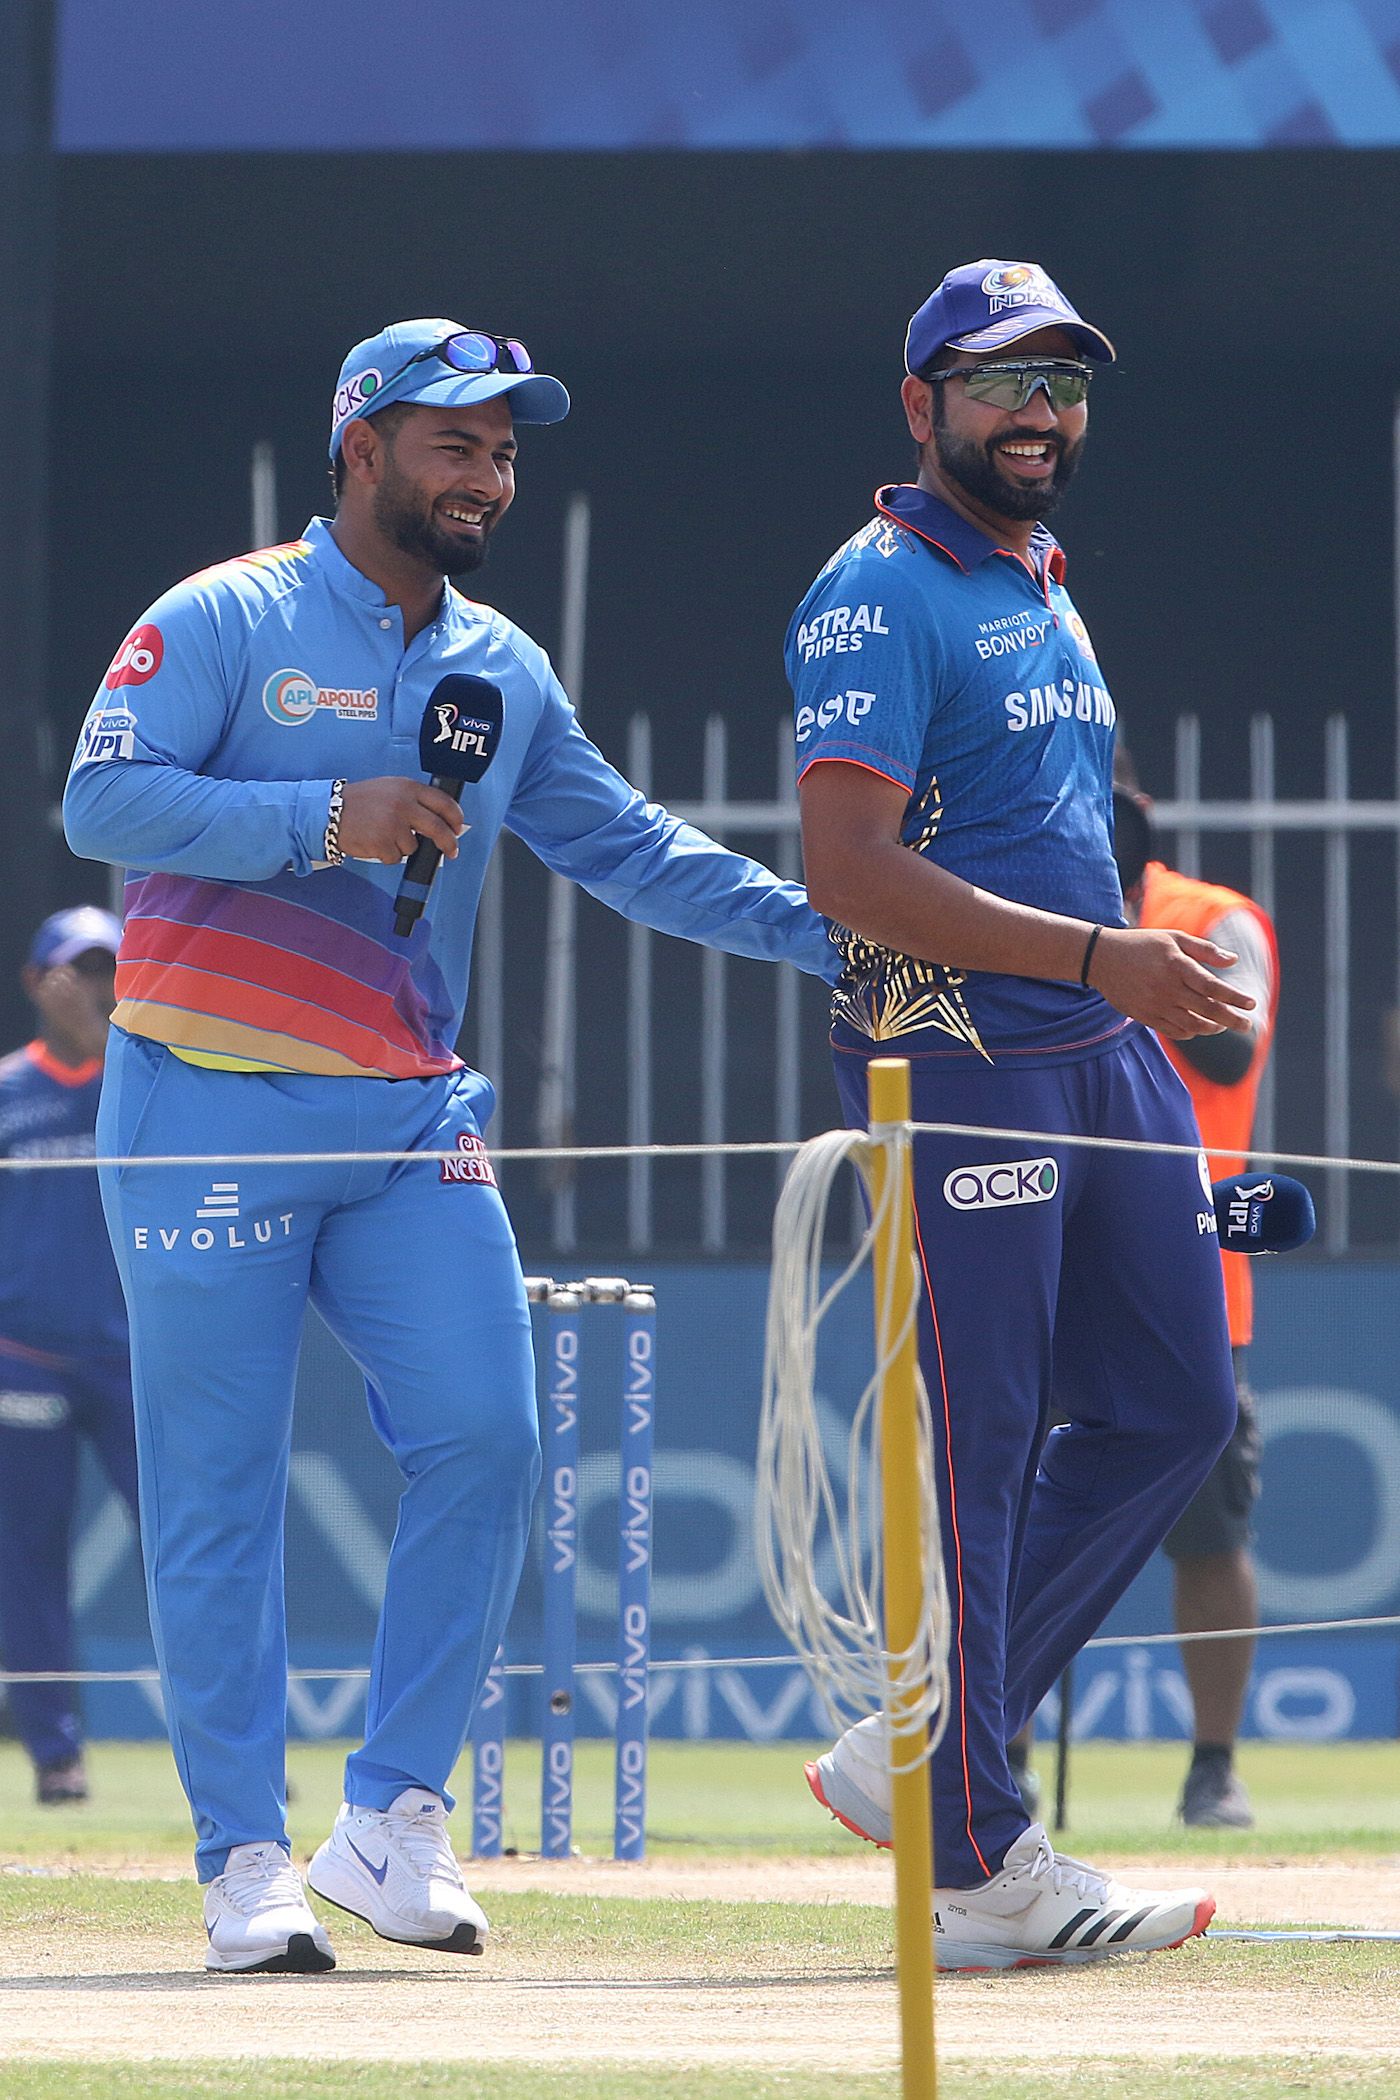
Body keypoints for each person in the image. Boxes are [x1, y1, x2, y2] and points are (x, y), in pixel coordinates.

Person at [64, 317, 837, 1974]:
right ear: (363, 451)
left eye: (503, 449)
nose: (485, 474)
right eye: (453, 443)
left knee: (488, 1441)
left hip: (413, 1112)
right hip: (205, 1107)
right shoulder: (225, 615)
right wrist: (311, 817)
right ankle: (242, 1858)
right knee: (218, 1493)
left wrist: (824, 935)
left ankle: (390, 1815)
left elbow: (626, 847)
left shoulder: (503, 665)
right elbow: (100, 805)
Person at [786, 259, 1253, 1972]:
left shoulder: (1041, 577)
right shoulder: (875, 591)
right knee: (983, 1437)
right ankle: (974, 1862)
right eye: (1001, 383)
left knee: (1175, 1409)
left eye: (1063, 383)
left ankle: (916, 1745)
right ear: (922, 407)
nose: (1040, 413)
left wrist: (1111, 977)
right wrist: (1096, 957)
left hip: (1091, 1036)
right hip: (960, 1046)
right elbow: (845, 874)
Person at [1112, 773, 1278, 1827]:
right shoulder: (1018, 923)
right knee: (1002, 1525)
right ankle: (1006, 1768)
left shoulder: (1206, 918)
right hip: (1044, 1263)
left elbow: (1228, 1042)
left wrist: (1096, 964)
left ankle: (1210, 1768)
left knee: (1209, 1541)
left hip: (1190, 1282)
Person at [0, 907, 136, 1805]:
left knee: (189, 1547)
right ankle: (56, 1756)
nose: (91, 985)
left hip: (137, 1355)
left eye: (106, 970)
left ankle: (240, 1757)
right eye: (75, 970)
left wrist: (104, 1042)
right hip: (25, 1357)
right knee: (27, 1557)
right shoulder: (8, 1090)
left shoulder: (146, 1083)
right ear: (34, 981)